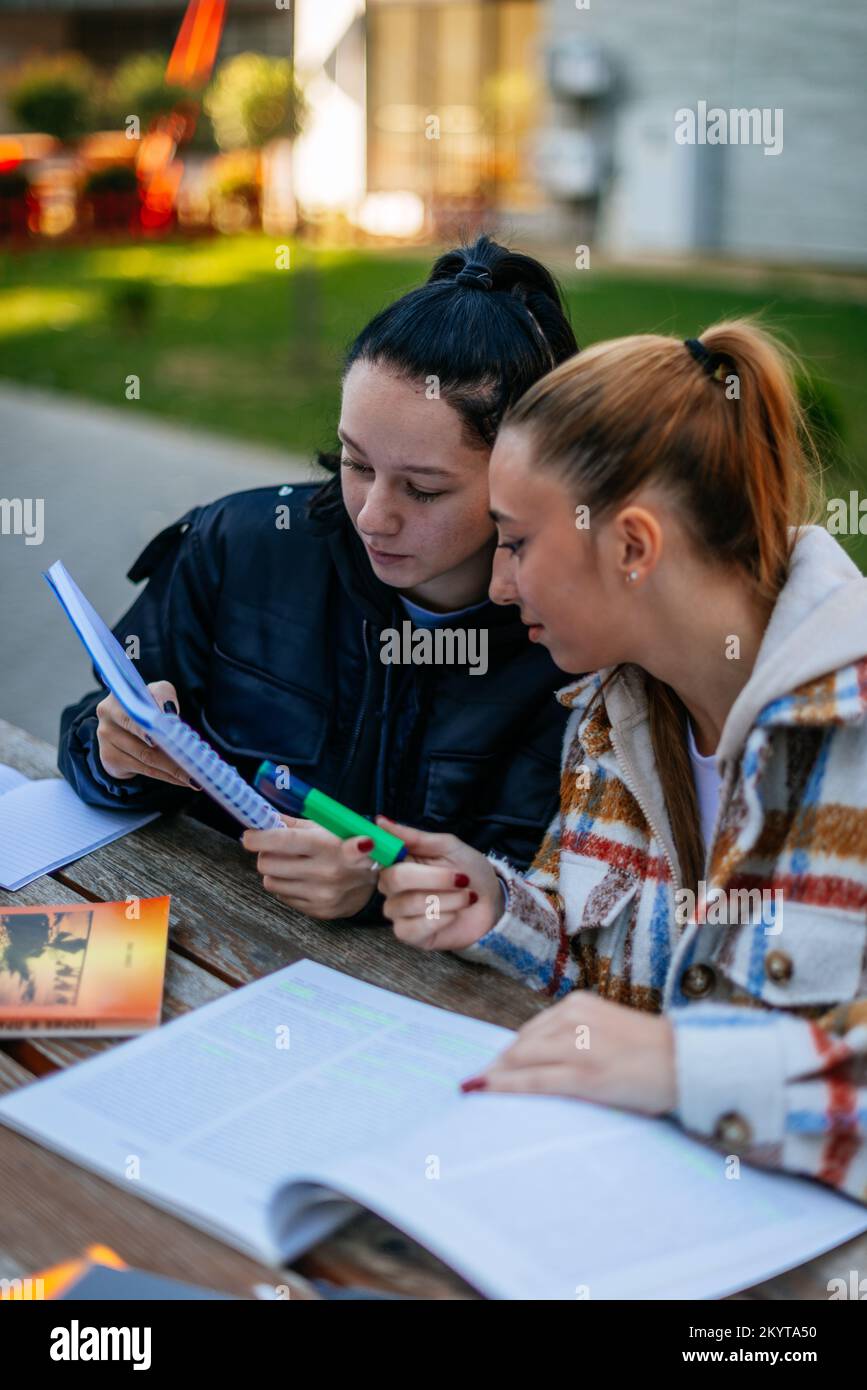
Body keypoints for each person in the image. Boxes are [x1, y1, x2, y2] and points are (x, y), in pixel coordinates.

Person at [377, 321, 867, 1202]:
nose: (496, 584)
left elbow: (655, 1053)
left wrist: (682, 1069)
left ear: (634, 547)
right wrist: (500, 908)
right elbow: (612, 983)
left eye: (517, 542)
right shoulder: (604, 720)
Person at [58, 235, 577, 923]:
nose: (372, 516)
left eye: (422, 490)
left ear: (520, 482)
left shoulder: (567, 645)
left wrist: (379, 891)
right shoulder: (238, 546)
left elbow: (543, 904)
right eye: (355, 462)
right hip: (198, 945)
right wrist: (112, 756)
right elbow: (89, 728)